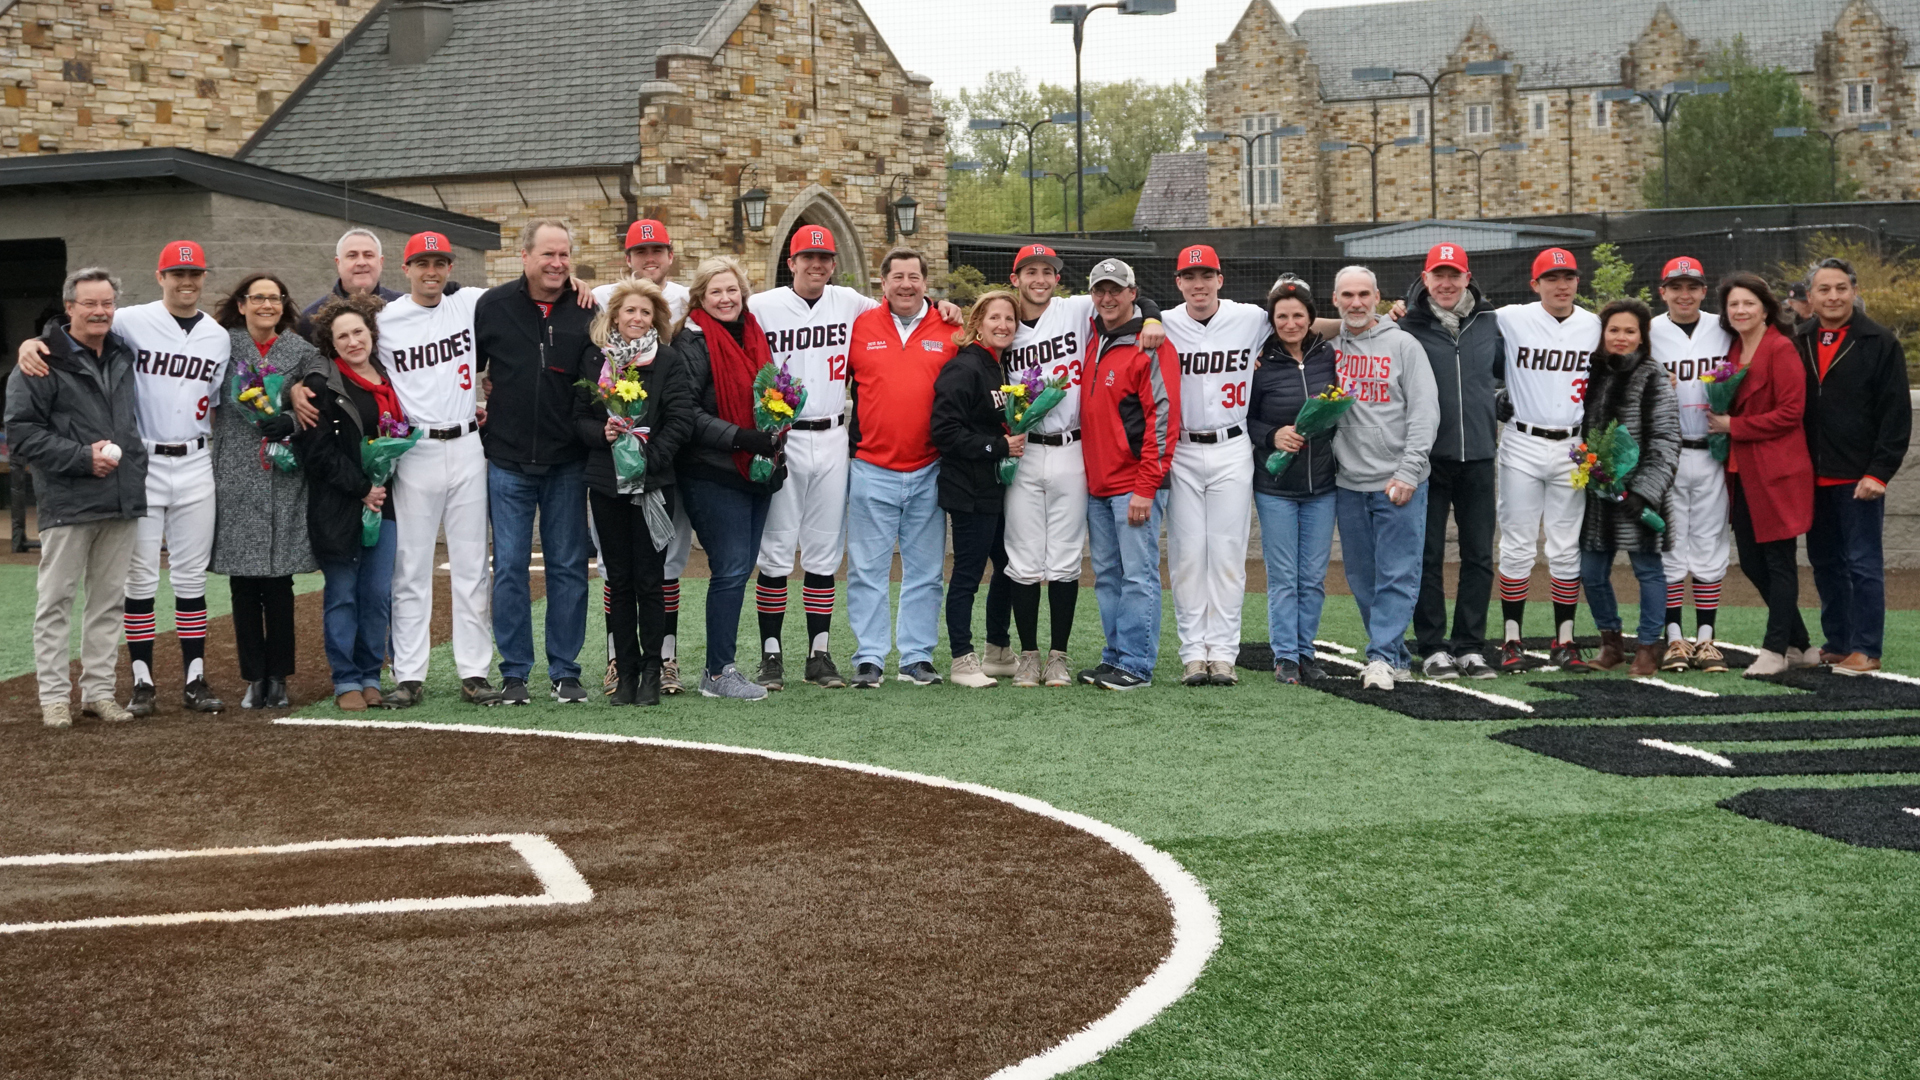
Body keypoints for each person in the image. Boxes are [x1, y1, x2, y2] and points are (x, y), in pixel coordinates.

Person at [18, 240, 231, 714]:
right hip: (142, 461)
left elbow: (215, 404)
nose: (186, 281)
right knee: (138, 578)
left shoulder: (218, 336)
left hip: (196, 460)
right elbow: (71, 330)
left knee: (191, 576)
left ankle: (195, 679)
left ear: (203, 277)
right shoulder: (131, 320)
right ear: (160, 277)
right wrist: (34, 342)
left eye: (194, 273)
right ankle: (141, 682)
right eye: (177, 273)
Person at [1000, 244, 1166, 684]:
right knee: (1024, 557)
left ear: (1058, 279)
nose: (1039, 279)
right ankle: (1030, 655)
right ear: (1015, 279)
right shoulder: (1004, 319)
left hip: (1073, 449)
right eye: (1030, 271)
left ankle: (1061, 656)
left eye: (1047, 271)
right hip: (1025, 450)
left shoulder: (1075, 310)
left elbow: (1129, 301)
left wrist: (1152, 317)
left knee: (1067, 559)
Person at [6, 268, 145, 727]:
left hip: (121, 497)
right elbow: (21, 435)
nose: (100, 311)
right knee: (55, 604)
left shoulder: (123, 351)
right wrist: (83, 458)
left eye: (107, 303)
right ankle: (53, 699)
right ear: (70, 307)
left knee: (108, 603)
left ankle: (98, 693)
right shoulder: (40, 360)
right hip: (68, 501)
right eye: (89, 303)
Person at [376, 231, 501, 708]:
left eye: (439, 263)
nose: (431, 271)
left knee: (471, 565)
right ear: (405, 269)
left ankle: (474, 671)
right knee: (410, 566)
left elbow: (525, 291)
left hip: (468, 443)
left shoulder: (467, 303)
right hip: (415, 449)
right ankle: (409, 674)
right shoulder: (384, 319)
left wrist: (576, 283)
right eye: (422, 263)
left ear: (450, 267)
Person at [474, 219, 596, 705]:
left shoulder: (587, 309)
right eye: (548, 254)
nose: (557, 263)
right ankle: (514, 672)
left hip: (567, 462)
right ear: (524, 256)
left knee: (568, 567)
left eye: (564, 254)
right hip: (507, 460)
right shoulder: (492, 305)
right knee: (509, 568)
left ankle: (565, 670)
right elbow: (465, 367)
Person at [575, 277, 690, 705]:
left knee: (650, 580)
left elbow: (680, 419)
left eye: (645, 312)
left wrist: (646, 459)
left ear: (655, 318)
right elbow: (579, 418)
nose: (637, 318)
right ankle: (624, 672)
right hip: (607, 484)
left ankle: (652, 672)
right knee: (619, 580)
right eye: (629, 311)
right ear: (615, 316)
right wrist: (601, 433)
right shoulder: (597, 360)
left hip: (653, 484)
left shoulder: (668, 360)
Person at [210, 272, 323, 709]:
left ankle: (278, 677)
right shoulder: (221, 345)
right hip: (236, 473)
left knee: (279, 583)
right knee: (243, 584)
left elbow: (318, 396)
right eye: (257, 298)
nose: (266, 306)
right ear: (241, 304)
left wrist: (291, 420)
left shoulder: (301, 351)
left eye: (274, 298)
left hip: (283, 473)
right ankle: (253, 677)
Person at [844, 248, 955, 688]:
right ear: (883, 283)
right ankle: (869, 657)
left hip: (930, 468)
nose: (906, 285)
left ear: (926, 283)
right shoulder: (860, 325)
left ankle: (917, 656)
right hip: (871, 467)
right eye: (898, 277)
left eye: (914, 277)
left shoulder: (950, 327)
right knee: (866, 571)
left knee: (925, 572)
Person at [1795, 256, 1911, 676]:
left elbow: (1896, 415)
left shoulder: (1879, 341)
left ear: (1854, 292)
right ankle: (1839, 642)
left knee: (1863, 565)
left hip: (1859, 479)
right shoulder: (1798, 340)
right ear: (1810, 297)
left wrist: (1879, 472)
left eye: (1841, 288)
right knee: (1825, 564)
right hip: (1810, 478)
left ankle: (1866, 648)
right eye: (1824, 289)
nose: (1833, 296)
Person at [675, 255, 781, 701]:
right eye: (715, 291)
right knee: (731, 568)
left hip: (756, 469)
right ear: (700, 297)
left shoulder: (754, 332)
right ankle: (718, 673)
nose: (725, 298)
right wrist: (741, 438)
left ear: (743, 293)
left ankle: (721, 669)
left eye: (732, 290)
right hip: (712, 471)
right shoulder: (691, 341)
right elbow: (687, 413)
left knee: (740, 569)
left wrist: (774, 431)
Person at [1158, 245, 1265, 687]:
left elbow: (1301, 321)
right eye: (1189, 277)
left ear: (1221, 279)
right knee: (1186, 556)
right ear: (1178, 283)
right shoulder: (1163, 322)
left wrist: (1373, 319)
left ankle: (1222, 653)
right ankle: (1192, 654)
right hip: (1182, 449)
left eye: (1206, 276)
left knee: (1226, 555)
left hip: (1232, 446)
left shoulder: (1251, 318)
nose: (1198, 284)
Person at [1395, 243, 1503, 681]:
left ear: (1466, 277)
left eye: (1453, 275)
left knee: (1479, 555)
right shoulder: (1406, 326)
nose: (1445, 283)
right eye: (1438, 275)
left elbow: (1508, 373)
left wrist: (1499, 403)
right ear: (1425, 279)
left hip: (1479, 455)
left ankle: (1470, 647)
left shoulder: (1491, 322)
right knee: (1427, 556)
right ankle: (1434, 647)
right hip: (1428, 460)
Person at [1329, 266, 1438, 691]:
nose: (1356, 303)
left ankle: (1380, 657)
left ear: (1378, 297)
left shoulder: (1404, 345)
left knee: (1397, 574)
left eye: (1364, 294)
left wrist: (1409, 471)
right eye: (1347, 295)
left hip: (1398, 481)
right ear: (1335, 300)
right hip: (1348, 482)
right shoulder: (1328, 347)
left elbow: (1425, 413)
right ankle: (1395, 655)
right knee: (1362, 579)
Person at [1493, 248, 1602, 672]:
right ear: (1534, 284)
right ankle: (1511, 640)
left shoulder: (1593, 325)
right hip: (1522, 440)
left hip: (1574, 447)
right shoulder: (1511, 317)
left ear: (1577, 281)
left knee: (1565, 546)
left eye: (1568, 277)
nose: (1561, 285)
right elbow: (1462, 320)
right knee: (1517, 544)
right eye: (1551, 278)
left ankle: (1565, 641)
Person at [294, 295, 401, 711]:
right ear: (331, 343)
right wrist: (361, 488)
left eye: (359, 332)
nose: (353, 341)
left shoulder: (391, 378)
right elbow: (317, 452)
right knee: (343, 594)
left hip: (383, 503)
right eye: (343, 336)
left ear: (371, 334)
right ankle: (346, 679)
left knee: (376, 594)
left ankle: (371, 674)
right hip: (339, 505)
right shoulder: (322, 386)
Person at [1079, 259, 1181, 691]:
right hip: (1098, 484)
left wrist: (1146, 486)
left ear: (1132, 294)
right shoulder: (1094, 335)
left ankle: (1136, 665)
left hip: (1134, 486)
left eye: (1115, 290)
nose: (1107, 298)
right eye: (1100, 290)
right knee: (1107, 576)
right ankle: (1115, 657)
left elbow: (1163, 420)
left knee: (1138, 576)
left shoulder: (1150, 345)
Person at [1712, 274, 1814, 677]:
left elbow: (1791, 413)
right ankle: (1801, 644)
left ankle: (1775, 650)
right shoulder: (1733, 348)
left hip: (1777, 470)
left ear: (1766, 308)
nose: (1740, 311)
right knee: (1753, 563)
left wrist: (1734, 426)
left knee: (1778, 561)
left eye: (1748, 303)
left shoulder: (1781, 348)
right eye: (1734, 305)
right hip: (1742, 472)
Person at [1577, 299, 1681, 676]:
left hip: (1639, 494)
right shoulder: (1588, 370)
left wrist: (1643, 491)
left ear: (1642, 336)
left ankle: (1649, 647)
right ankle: (1611, 643)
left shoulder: (1653, 375)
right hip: (1596, 494)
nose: (1621, 337)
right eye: (1614, 330)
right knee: (1591, 572)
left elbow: (1666, 438)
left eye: (1630, 331)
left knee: (1648, 571)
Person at [1246, 278, 1339, 686]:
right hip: (1276, 487)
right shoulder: (1258, 362)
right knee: (1284, 576)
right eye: (1281, 316)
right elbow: (1244, 418)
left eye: (1297, 315)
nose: (1290, 323)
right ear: (1272, 320)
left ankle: (1306, 651)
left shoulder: (1328, 356)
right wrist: (1272, 435)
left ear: (1310, 317)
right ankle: (1285, 655)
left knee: (1313, 578)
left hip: (1322, 486)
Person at [931, 289, 1021, 688]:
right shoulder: (963, 367)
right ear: (977, 324)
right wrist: (997, 446)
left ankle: (998, 650)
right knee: (968, 572)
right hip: (968, 488)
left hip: (995, 488)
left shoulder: (999, 368)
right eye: (994, 318)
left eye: (1010, 319)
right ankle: (961, 659)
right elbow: (944, 432)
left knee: (1009, 565)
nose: (1003, 325)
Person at [1650, 256, 1734, 673]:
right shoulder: (1649, 331)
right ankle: (1674, 639)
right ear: (1662, 291)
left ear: (1704, 291)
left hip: (1713, 451)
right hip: (1667, 454)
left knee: (1709, 545)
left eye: (1692, 287)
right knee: (1669, 547)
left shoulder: (1725, 328)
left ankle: (1706, 639)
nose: (1684, 294)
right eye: (1676, 287)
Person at [298, 228, 403, 336]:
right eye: (352, 256)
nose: (361, 262)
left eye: (368, 255)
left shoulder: (404, 309)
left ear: (381, 262)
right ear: (338, 263)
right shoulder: (312, 319)